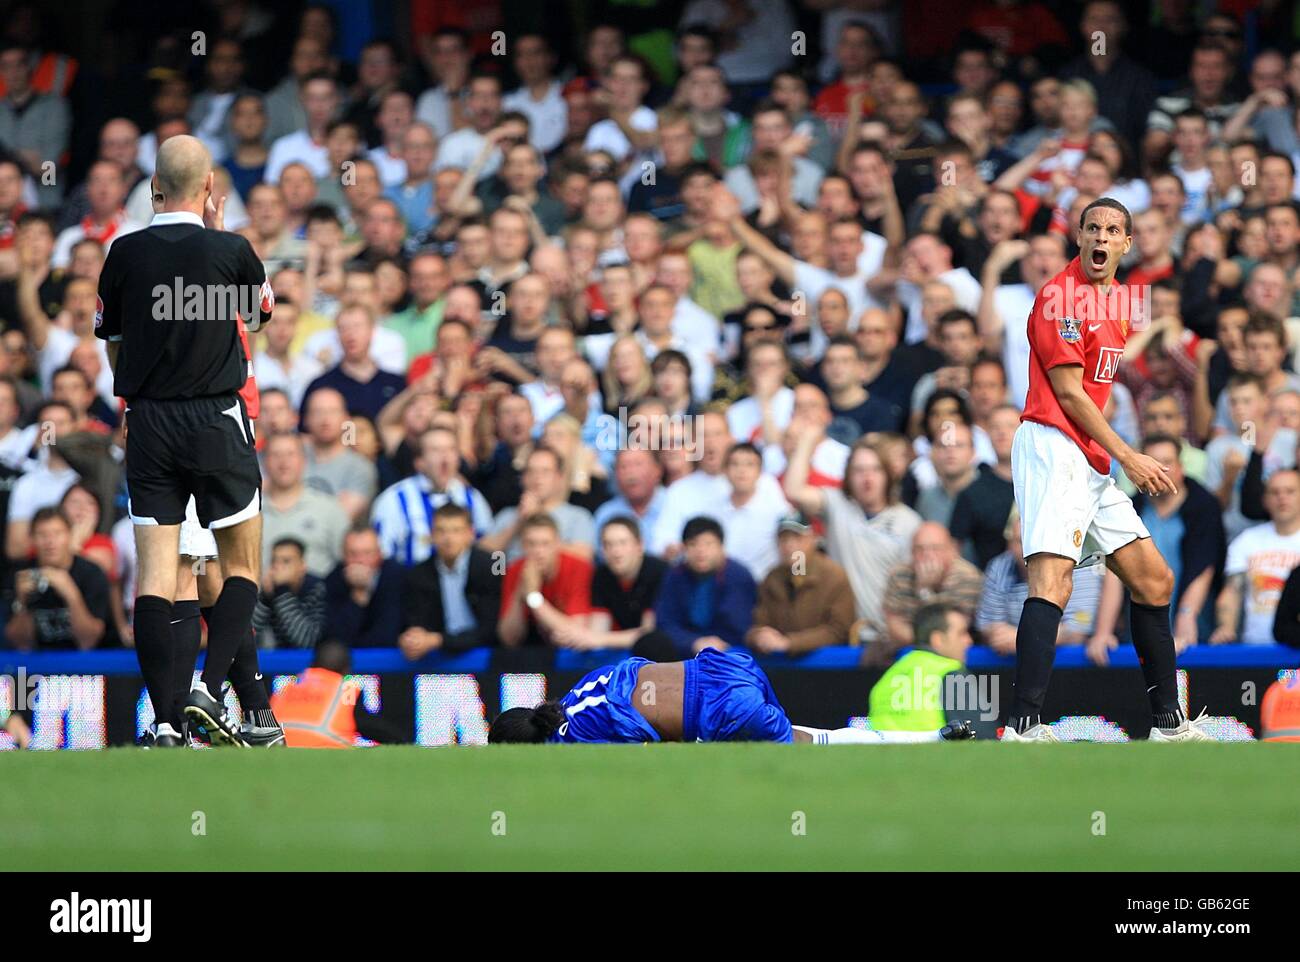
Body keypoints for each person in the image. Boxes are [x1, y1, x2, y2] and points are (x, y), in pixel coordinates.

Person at [1007, 197, 1208, 742]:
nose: (1100, 237)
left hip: (1089, 455)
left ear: (1127, 244)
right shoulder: (1058, 299)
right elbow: (1069, 394)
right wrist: (1130, 455)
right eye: (1092, 227)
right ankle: (1023, 727)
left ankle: (1169, 725)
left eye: (1112, 230)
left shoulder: (1122, 300)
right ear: (1079, 236)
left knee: (1154, 578)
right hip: (1053, 443)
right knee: (1054, 579)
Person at [94, 135, 269, 747]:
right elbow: (257, 317)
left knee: (156, 577)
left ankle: (165, 720)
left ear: (153, 190)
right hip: (216, 419)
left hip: (147, 421)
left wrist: (134, 393)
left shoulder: (122, 254)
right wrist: (219, 235)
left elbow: (110, 338)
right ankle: (210, 690)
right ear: (210, 188)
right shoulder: (231, 250)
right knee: (240, 564)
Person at [488, 645, 975, 744]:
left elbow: (644, 745)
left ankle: (932, 739)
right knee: (812, 735)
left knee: (816, 745)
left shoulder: (569, 745)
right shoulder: (580, 688)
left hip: (722, 709)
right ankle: (936, 737)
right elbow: (635, 667)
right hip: (726, 664)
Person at [398, 503, 501, 656]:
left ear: (470, 534)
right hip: (438, 662)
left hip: (487, 657)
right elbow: (417, 622)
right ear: (432, 535)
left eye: (456, 530)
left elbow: (491, 629)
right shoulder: (419, 574)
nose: (448, 538)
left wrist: (439, 640)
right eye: (441, 531)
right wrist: (412, 638)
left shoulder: (491, 567)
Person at [746, 511, 855, 655]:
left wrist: (790, 643)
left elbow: (839, 631)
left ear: (813, 539)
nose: (789, 545)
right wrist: (759, 636)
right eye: (784, 539)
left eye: (797, 537)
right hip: (780, 668)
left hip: (828, 669)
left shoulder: (835, 576)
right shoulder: (771, 578)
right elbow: (759, 622)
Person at [270, 639, 407, 747]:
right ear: (346, 669)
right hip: (324, 758)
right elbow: (377, 729)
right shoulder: (344, 692)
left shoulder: (284, 690)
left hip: (279, 757)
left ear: (311, 664)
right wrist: (403, 741)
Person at [653, 516, 756, 656]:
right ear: (684, 548)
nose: (701, 551)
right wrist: (694, 642)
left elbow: (738, 625)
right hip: (686, 648)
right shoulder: (675, 575)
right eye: (693, 544)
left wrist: (708, 645)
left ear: (721, 547)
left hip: (728, 649)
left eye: (708, 544)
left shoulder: (738, 576)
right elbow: (665, 622)